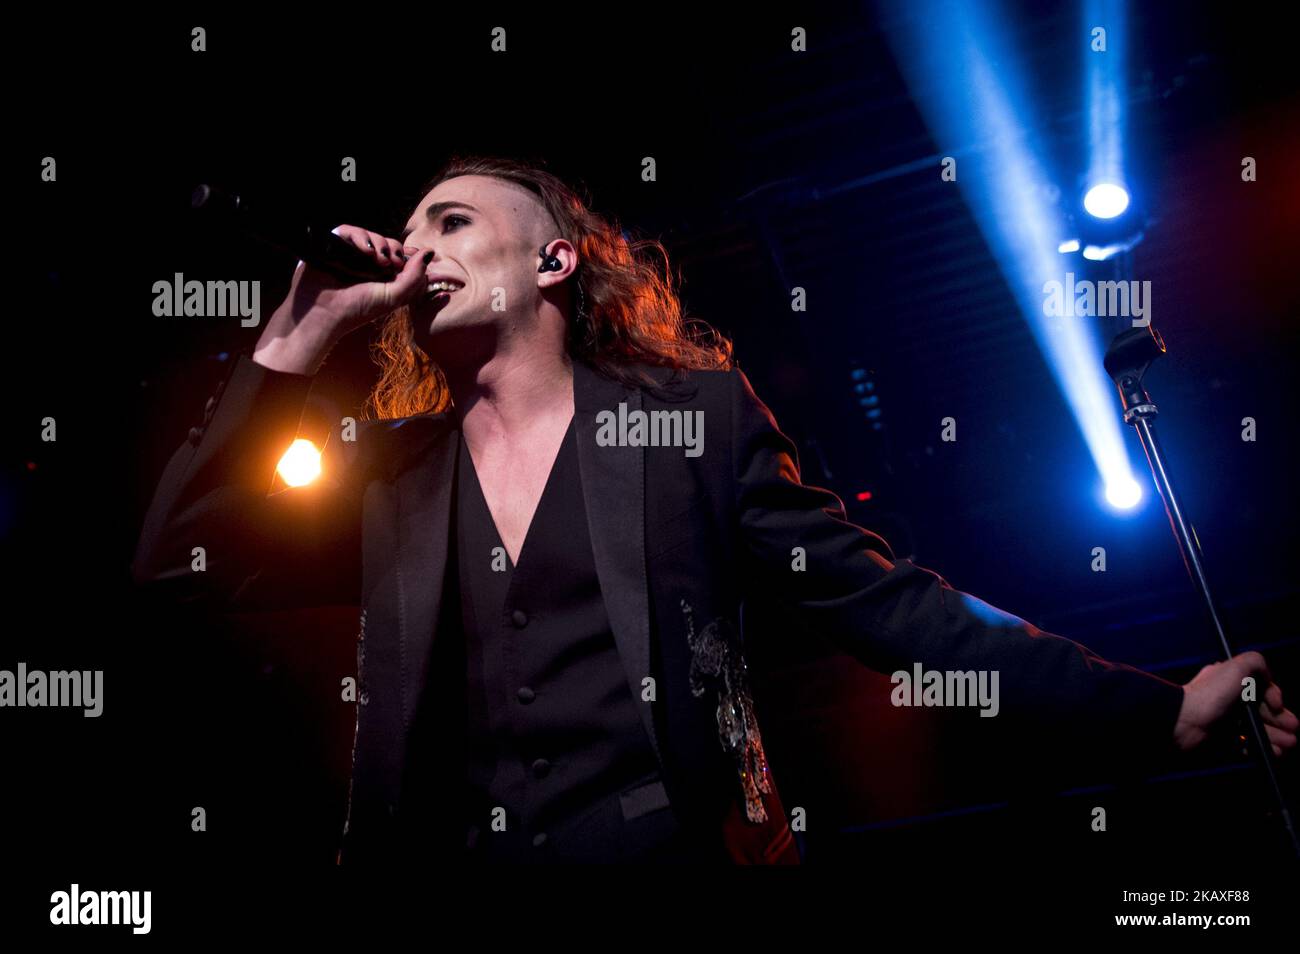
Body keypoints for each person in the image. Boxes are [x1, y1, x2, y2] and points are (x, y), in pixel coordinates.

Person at [132, 155, 1297, 865]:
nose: (417, 243)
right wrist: (287, 349)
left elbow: (893, 611)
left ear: (549, 264)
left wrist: (1154, 709)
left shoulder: (688, 425)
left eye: (452, 221)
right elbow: (177, 558)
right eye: (416, 222)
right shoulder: (394, 475)